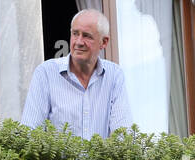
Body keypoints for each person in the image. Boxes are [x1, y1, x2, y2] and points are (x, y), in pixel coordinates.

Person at [21, 9, 132, 138]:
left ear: (104, 42)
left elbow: (123, 136)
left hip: (100, 159)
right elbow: (29, 133)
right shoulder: (45, 73)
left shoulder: (114, 76)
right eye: (75, 34)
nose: (78, 42)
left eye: (87, 36)